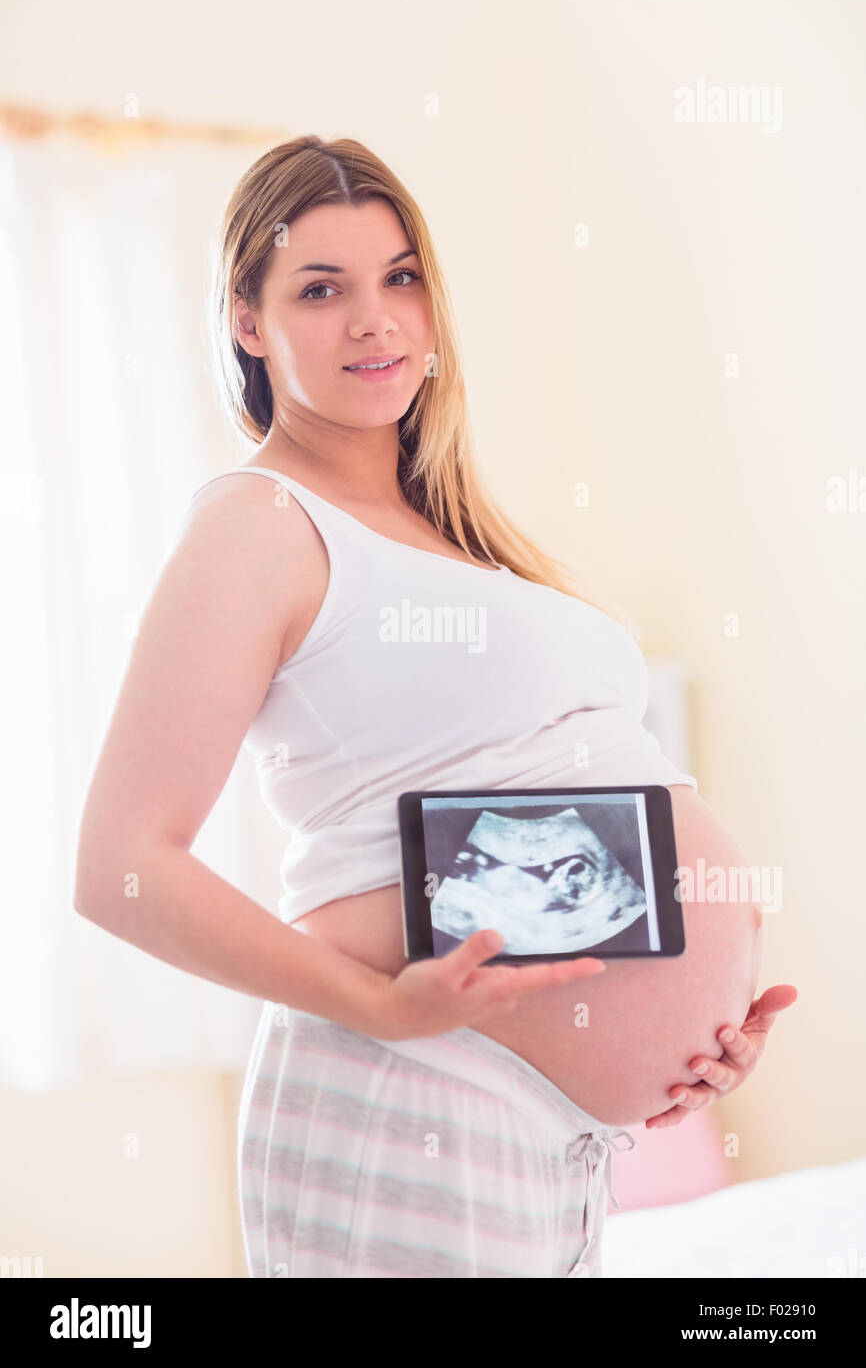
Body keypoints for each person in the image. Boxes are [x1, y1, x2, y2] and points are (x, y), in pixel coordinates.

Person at [74, 135, 797, 1279]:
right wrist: (381, 1008)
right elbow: (119, 866)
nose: (376, 320)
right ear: (247, 324)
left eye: (400, 276)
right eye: (322, 288)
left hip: (544, 1130)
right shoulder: (257, 524)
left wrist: (675, 1046)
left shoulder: (462, 542)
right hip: (401, 1093)